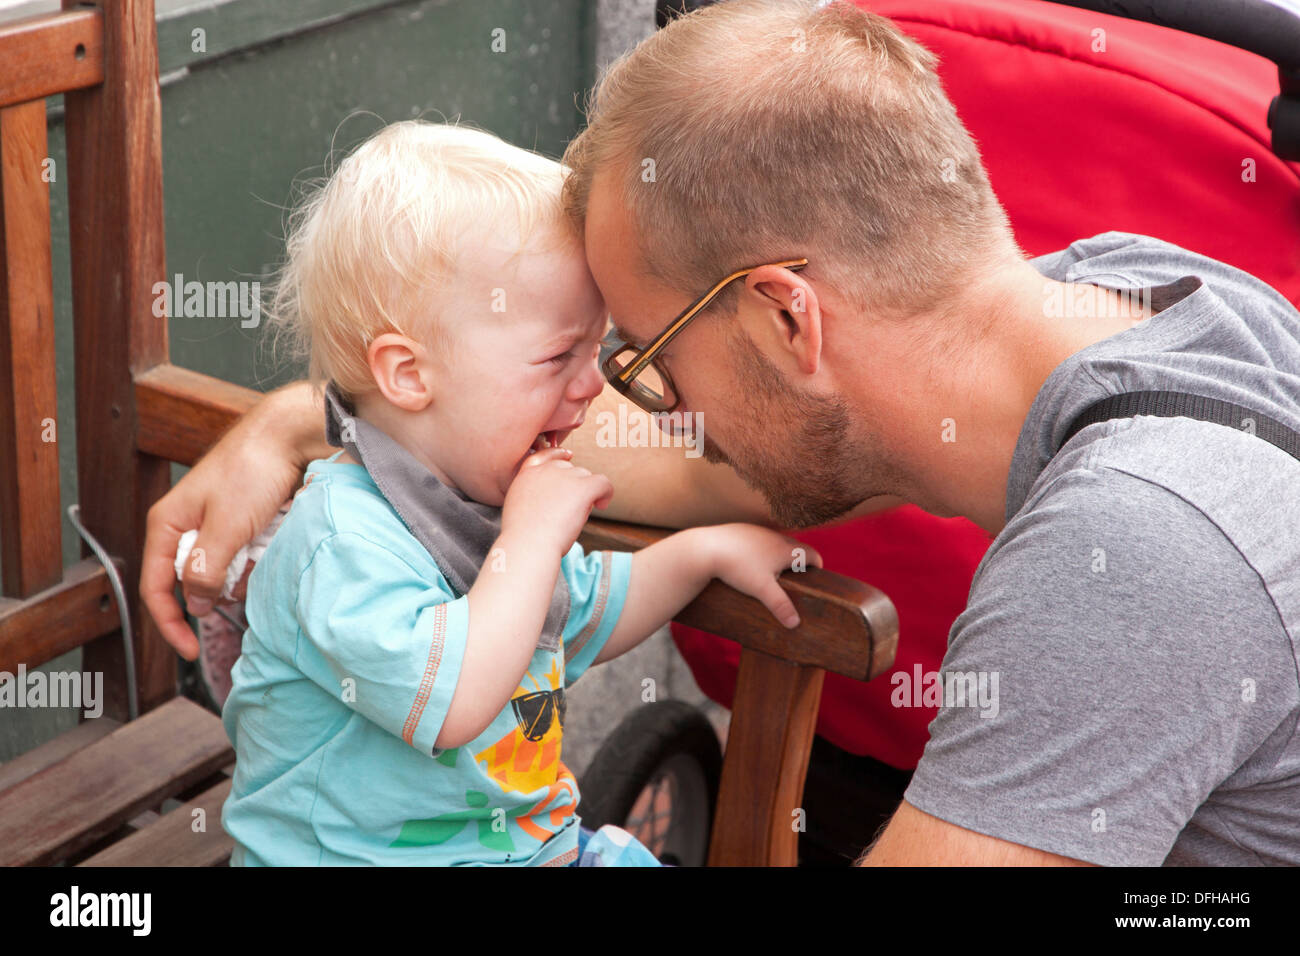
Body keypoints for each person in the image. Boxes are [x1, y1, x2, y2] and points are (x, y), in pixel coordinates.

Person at [144, 0, 1300, 865]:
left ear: (785, 314)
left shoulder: (1139, 554)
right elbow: (686, 474)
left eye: (640, 358)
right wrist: (317, 416)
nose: (619, 403)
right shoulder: (1127, 295)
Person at [214, 120, 812, 866]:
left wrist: (702, 554)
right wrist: (530, 540)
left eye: (596, 350)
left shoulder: (473, 502)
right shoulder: (342, 542)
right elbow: (456, 699)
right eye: (560, 354)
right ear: (408, 374)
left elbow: (585, 606)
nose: (595, 385)